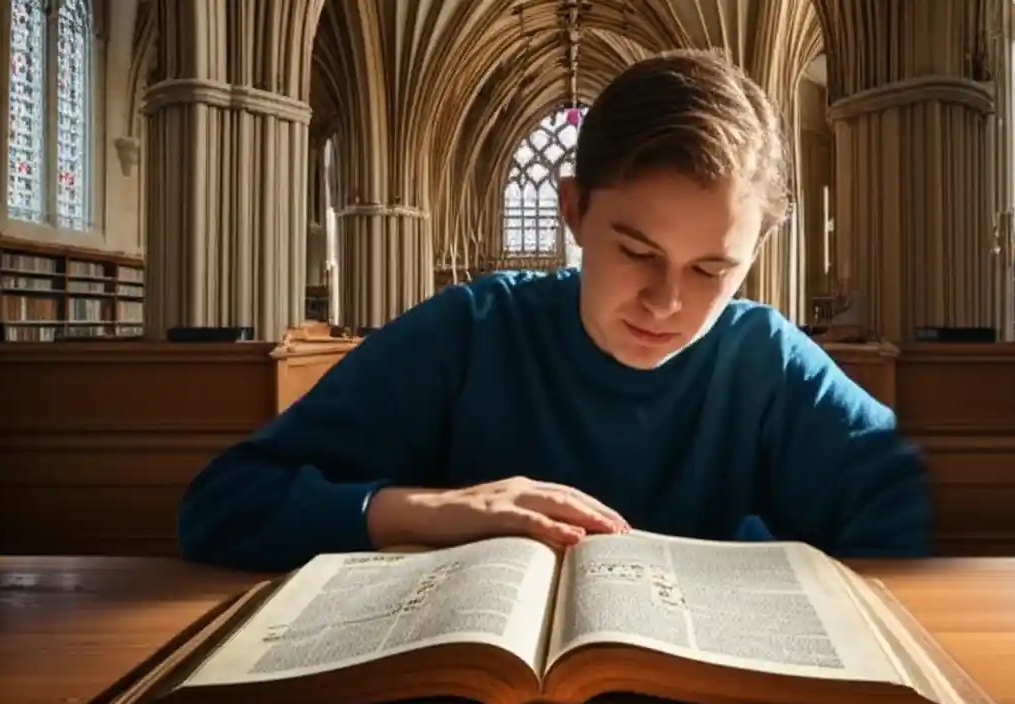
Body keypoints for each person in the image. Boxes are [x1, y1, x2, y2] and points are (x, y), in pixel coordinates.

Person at [177, 48, 932, 572]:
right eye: (636, 251)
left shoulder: (764, 357)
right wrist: (424, 510)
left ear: (756, 252)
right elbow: (221, 506)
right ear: (573, 211)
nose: (667, 303)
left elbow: (910, 507)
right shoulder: (470, 332)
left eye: (712, 268)